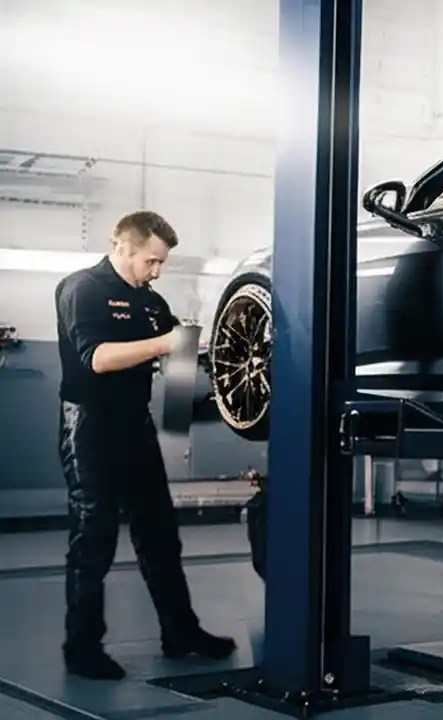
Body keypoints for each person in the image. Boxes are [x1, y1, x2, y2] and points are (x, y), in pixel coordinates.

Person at [54, 210, 235, 680]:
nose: (156, 272)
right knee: (94, 537)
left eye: (161, 264)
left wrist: (212, 358)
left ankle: (181, 632)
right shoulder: (82, 289)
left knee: (160, 536)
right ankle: (81, 648)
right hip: (89, 427)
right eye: (151, 261)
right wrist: (164, 344)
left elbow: (180, 357)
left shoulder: (151, 303)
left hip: (135, 427)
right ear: (123, 247)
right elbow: (96, 359)